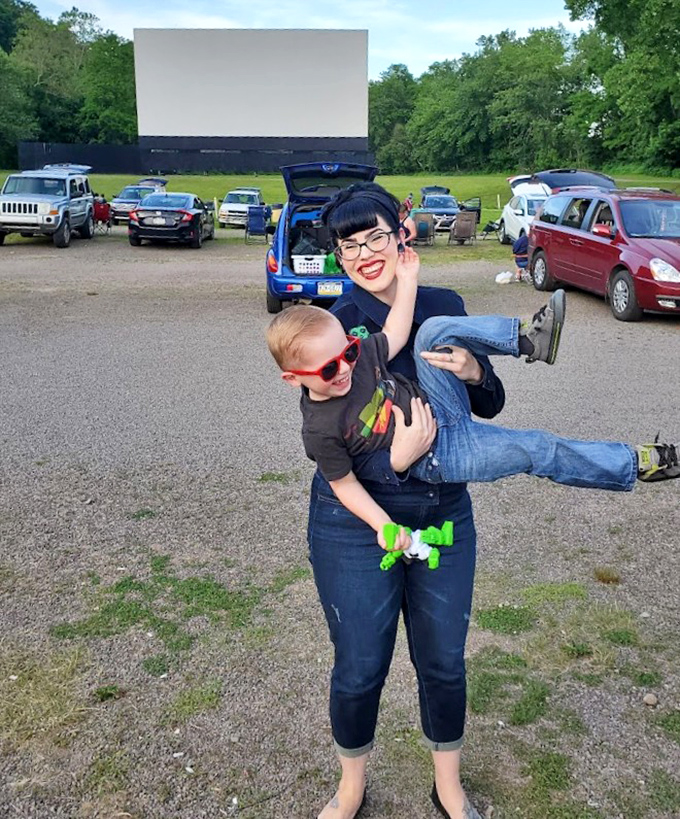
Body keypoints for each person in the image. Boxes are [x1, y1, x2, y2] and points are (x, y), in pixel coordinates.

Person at [267, 276, 678, 546]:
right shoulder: (320, 429)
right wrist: (384, 523)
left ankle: (526, 339)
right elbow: (344, 485)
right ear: (292, 379)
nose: (344, 368)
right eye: (328, 369)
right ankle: (637, 462)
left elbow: (396, 330)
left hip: (438, 402)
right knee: (538, 448)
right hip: (440, 455)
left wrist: (408, 277)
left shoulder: (356, 360)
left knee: (433, 329)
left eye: (349, 353)